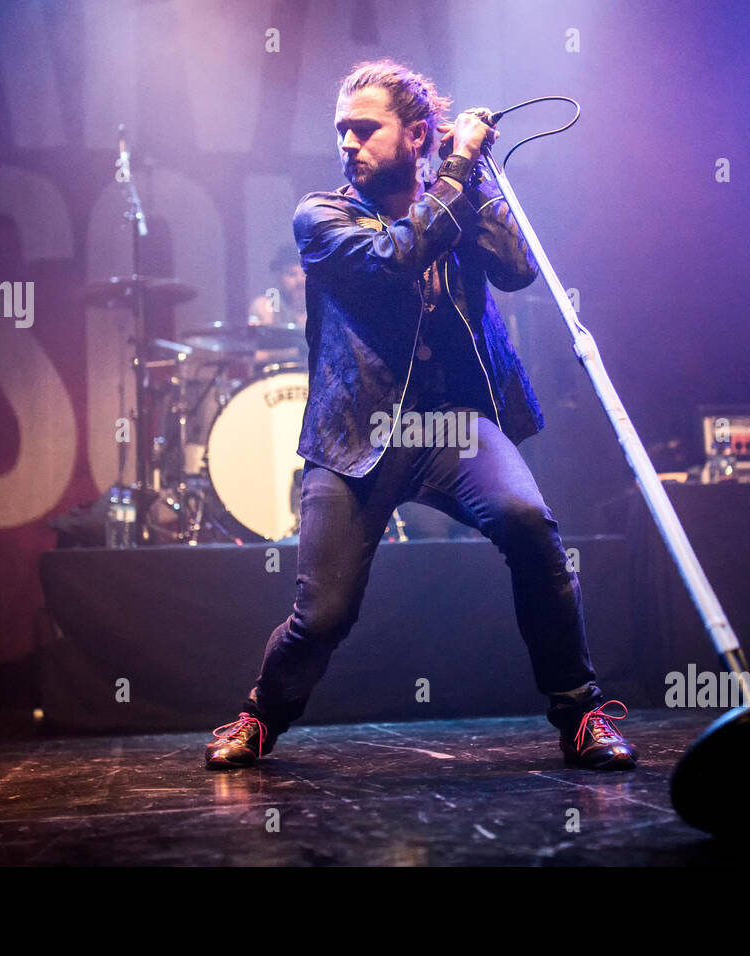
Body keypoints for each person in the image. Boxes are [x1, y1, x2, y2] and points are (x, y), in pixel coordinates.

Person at [206, 59, 638, 772]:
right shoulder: (321, 214)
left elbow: (517, 269)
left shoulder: (459, 193)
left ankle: (580, 711)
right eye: (342, 130)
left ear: (415, 136)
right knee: (324, 617)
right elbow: (396, 258)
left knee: (530, 525)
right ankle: (262, 715)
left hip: (453, 428)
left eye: (365, 129)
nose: (348, 142)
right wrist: (458, 167)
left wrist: (474, 177)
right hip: (357, 436)